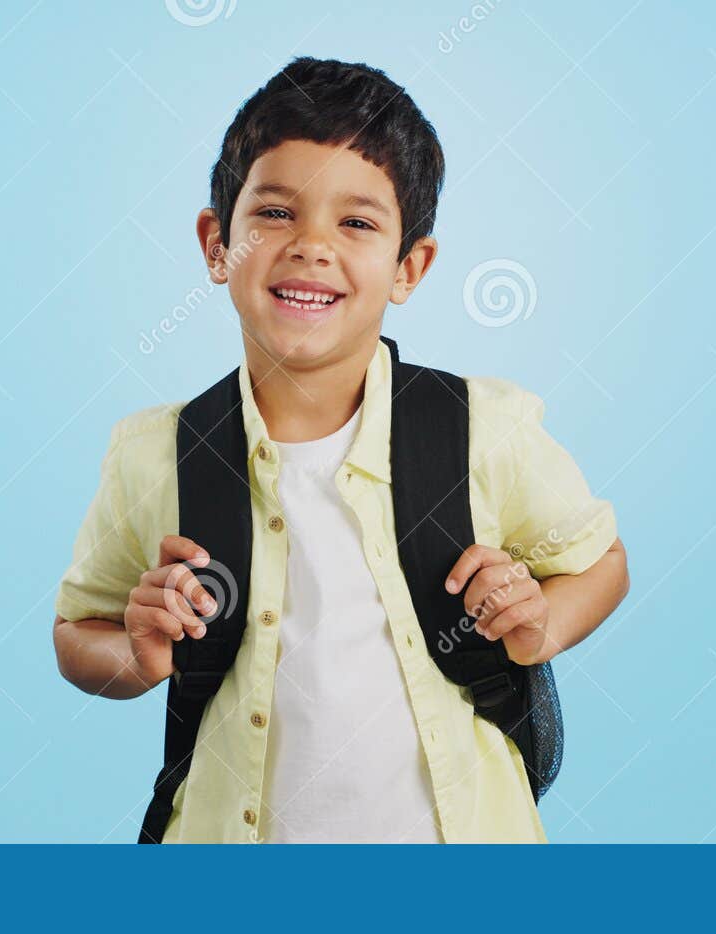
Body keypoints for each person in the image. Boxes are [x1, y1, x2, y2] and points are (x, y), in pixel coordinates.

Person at [52, 57, 630, 843]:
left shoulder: (480, 428)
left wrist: (541, 625)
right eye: (276, 214)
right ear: (217, 244)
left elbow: (601, 562)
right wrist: (140, 653)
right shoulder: (157, 454)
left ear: (409, 267)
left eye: (356, 223)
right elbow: (76, 634)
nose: (312, 247)